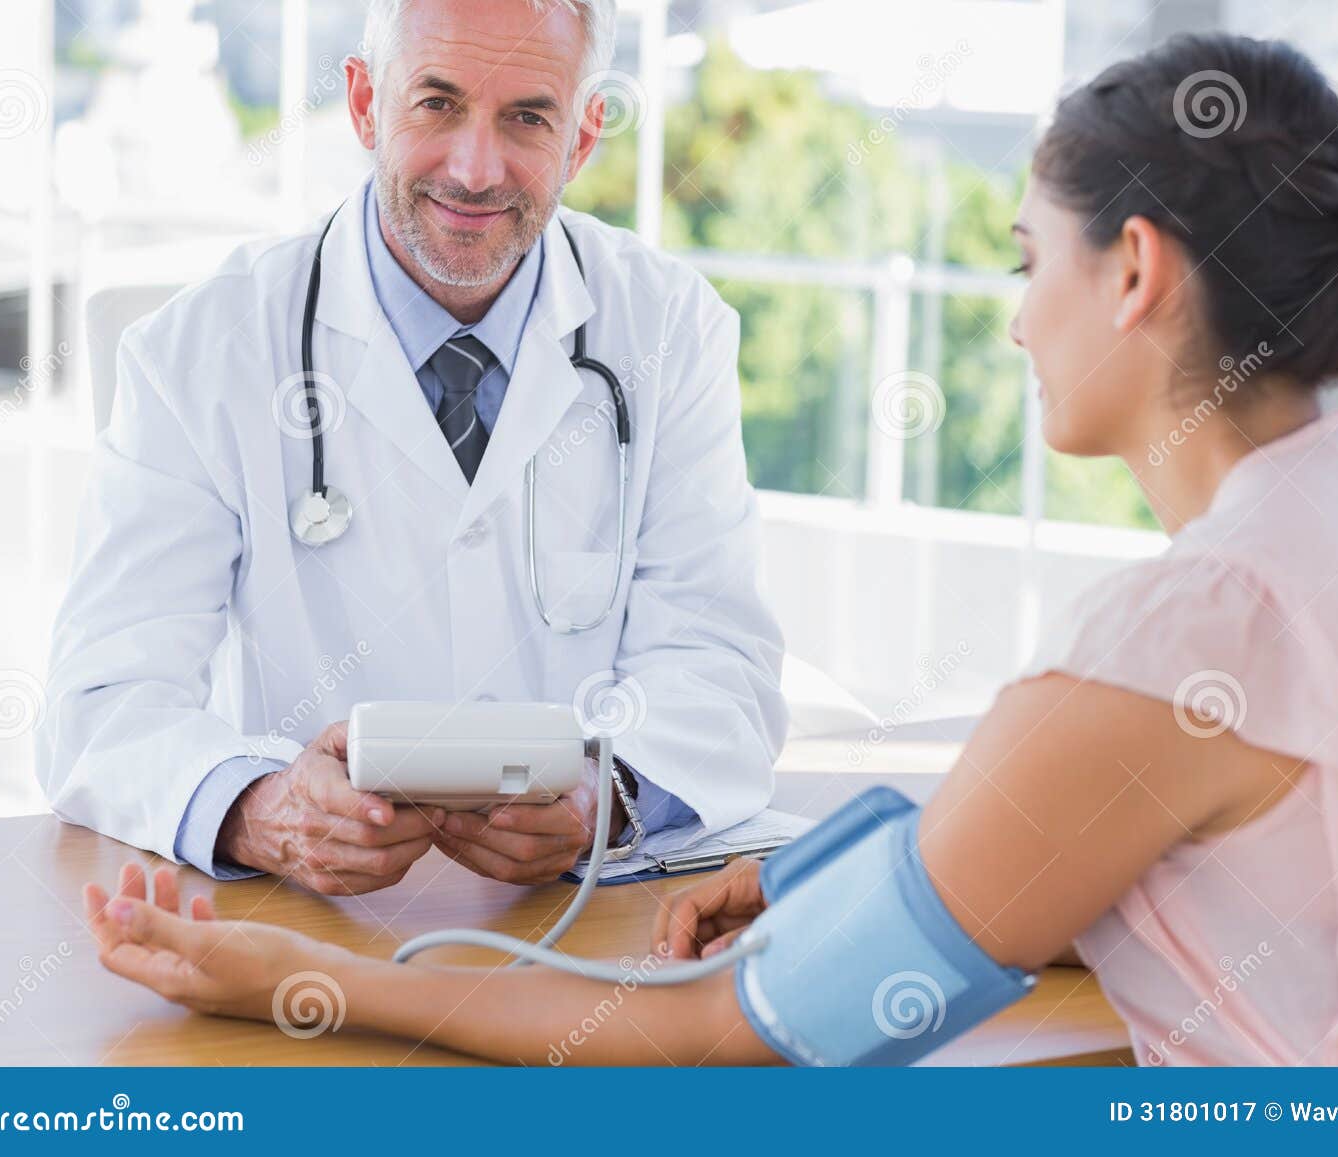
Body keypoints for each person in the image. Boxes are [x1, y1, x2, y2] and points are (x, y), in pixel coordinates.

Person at [84, 33, 1338, 1065]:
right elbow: (1078, 845)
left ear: (1133, 274)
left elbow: (740, 1030)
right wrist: (818, 880)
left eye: (1020, 259)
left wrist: (323, 983)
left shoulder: (1188, 634)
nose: (1007, 316)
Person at [40, 0, 787, 895]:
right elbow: (102, 703)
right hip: (306, 932)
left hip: (572, 925)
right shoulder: (198, 351)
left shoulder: (672, 329)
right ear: (363, 104)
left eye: (527, 117)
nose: (475, 169)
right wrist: (260, 810)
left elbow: (719, 665)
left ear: (584, 136)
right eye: (436, 103)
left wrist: (608, 798)